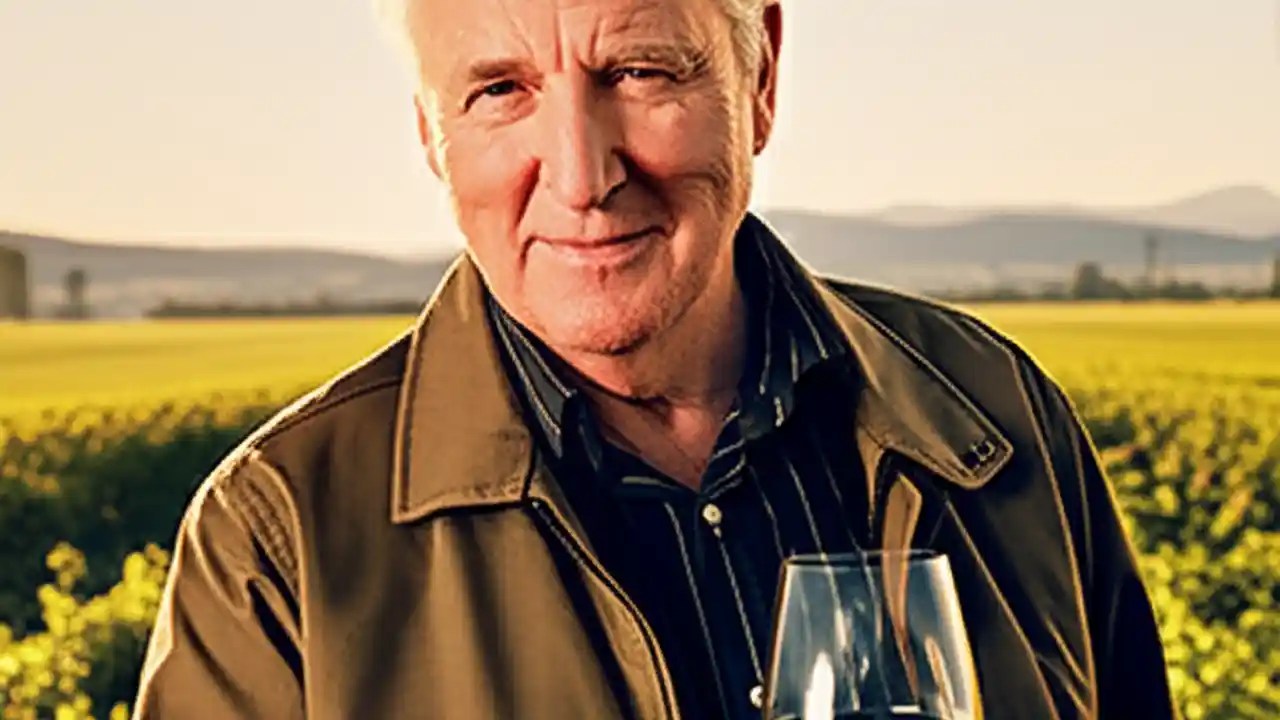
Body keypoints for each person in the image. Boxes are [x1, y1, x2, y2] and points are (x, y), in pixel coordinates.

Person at [130, 0, 1178, 717]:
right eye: (499, 90)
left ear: (758, 73)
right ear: (429, 135)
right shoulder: (278, 542)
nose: (582, 175)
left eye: (637, 71)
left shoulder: (995, 416)